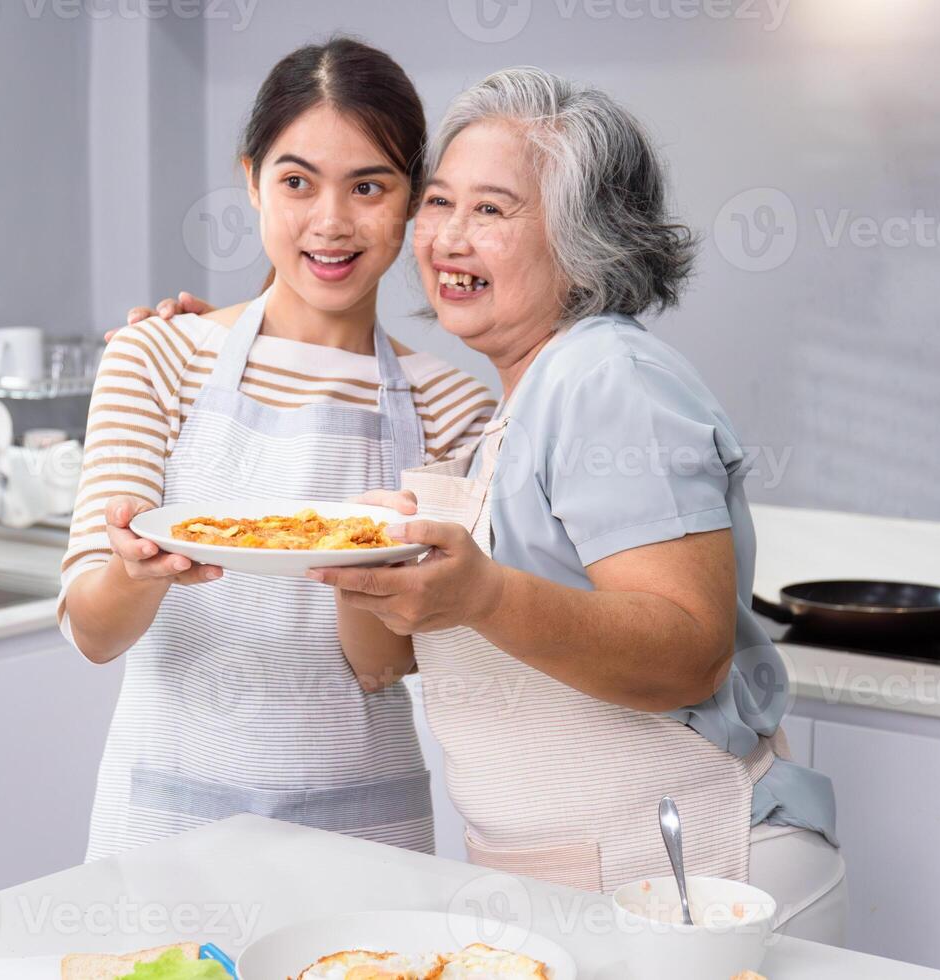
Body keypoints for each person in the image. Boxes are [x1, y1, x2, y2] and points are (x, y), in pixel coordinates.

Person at [133, 67, 846, 944]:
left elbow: (688, 653)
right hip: (586, 882)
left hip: (694, 879)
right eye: (437, 203)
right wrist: (367, 571)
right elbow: (392, 662)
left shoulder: (606, 378)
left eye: (492, 211)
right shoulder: (511, 410)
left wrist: (482, 595)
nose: (445, 240)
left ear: (585, 240)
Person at [59, 38, 496, 862]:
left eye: (369, 186)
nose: (331, 223)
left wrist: (359, 562)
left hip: (365, 829)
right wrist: (134, 569)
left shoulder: (453, 405)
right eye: (297, 182)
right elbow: (93, 630)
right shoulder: (157, 357)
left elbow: (387, 666)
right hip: (166, 820)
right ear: (252, 180)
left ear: (411, 203)